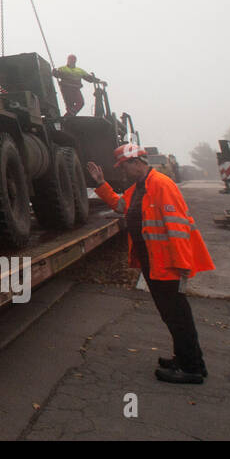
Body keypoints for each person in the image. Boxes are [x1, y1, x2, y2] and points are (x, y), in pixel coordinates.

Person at [87, 144, 214, 384]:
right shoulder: (139, 188)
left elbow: (177, 226)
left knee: (177, 315)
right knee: (170, 314)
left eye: (124, 166)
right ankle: (188, 359)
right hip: (154, 261)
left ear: (137, 162)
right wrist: (101, 183)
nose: (122, 171)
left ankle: (191, 369)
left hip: (167, 263)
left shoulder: (161, 185)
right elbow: (120, 205)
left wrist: (181, 264)